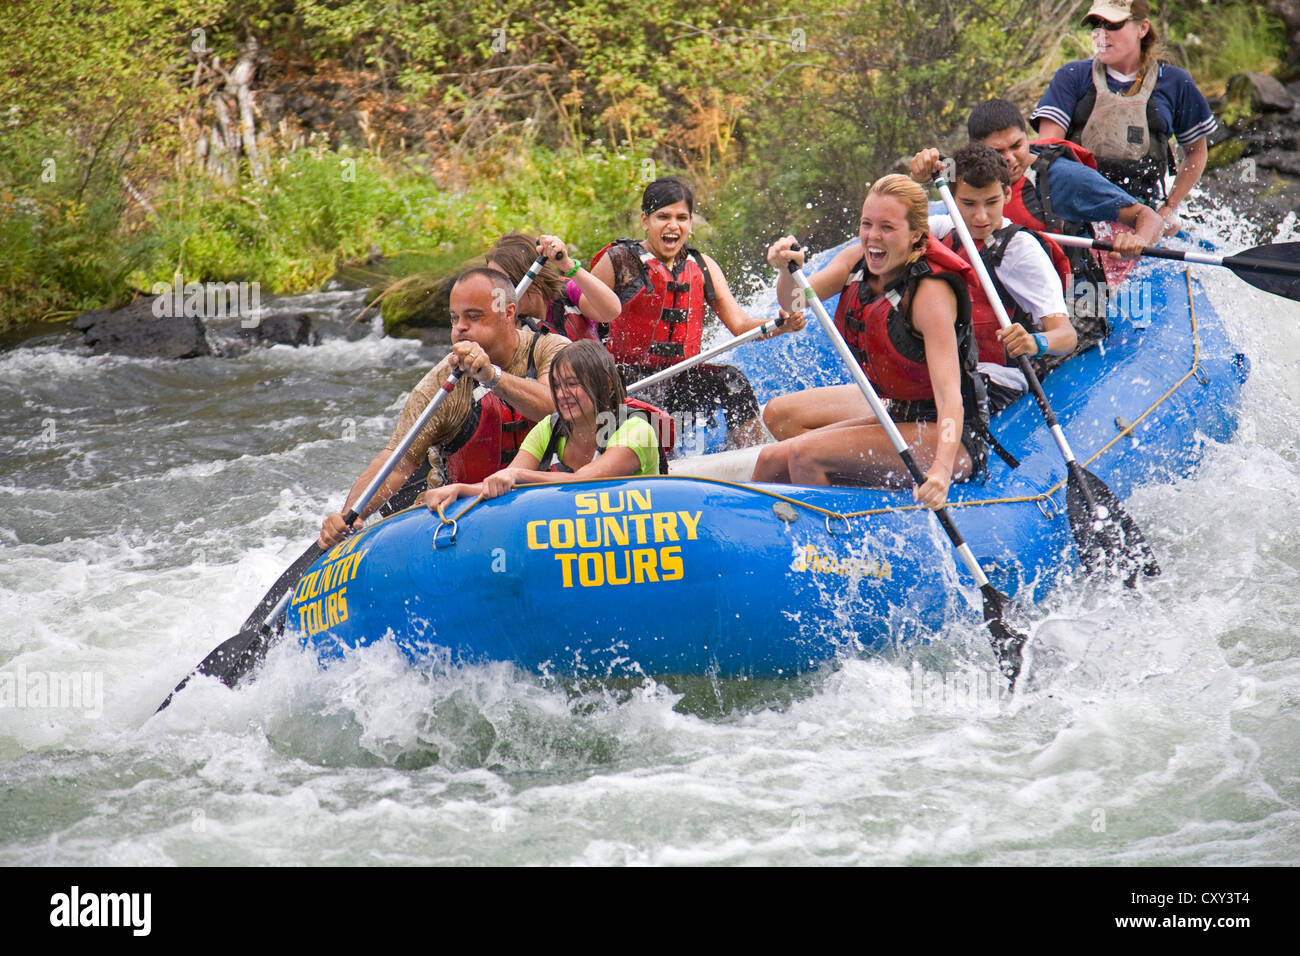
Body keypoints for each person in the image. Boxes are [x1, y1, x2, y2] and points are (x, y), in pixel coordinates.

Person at [753, 175, 988, 508]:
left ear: (916, 236)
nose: (873, 237)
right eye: (867, 224)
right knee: (770, 460)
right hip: (899, 413)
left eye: (887, 228)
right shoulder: (855, 263)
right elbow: (793, 301)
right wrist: (785, 270)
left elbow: (951, 398)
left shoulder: (929, 295)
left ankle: (828, 553)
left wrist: (939, 471)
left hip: (952, 434)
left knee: (806, 456)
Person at [318, 267, 568, 547]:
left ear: (509, 313)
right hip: (462, 517)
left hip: (547, 506)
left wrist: (491, 375)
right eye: (454, 318)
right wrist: (349, 515)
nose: (459, 327)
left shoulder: (550, 350)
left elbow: (555, 407)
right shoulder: (441, 384)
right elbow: (397, 462)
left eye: (473, 317)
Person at [926, 98, 1165, 356]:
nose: (1009, 159)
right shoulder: (970, 177)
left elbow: (1147, 216)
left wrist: (1139, 239)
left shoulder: (1064, 178)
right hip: (1013, 295)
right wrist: (922, 170)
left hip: (1075, 301)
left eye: (1017, 145)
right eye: (997, 153)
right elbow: (936, 178)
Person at [589, 177, 804, 448]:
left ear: (690, 223)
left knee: (732, 382)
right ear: (645, 221)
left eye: (681, 217)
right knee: (643, 426)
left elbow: (740, 325)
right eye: (662, 216)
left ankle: (756, 456)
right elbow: (581, 319)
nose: (673, 225)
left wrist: (778, 326)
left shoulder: (702, 266)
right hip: (624, 381)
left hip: (680, 380)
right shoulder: (619, 261)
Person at [423, 339, 663, 513]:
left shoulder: (636, 430)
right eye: (557, 386)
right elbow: (506, 481)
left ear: (607, 384)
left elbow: (586, 482)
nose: (562, 394)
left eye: (572, 384)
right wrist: (459, 490)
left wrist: (518, 475)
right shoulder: (549, 427)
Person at [913, 142, 1077, 397]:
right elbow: (893, 230)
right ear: (951, 199)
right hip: (944, 369)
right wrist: (919, 180)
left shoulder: (1021, 251)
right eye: (968, 203)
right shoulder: (946, 228)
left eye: (991, 202)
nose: (981, 217)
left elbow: (1067, 336)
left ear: (1007, 195)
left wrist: (1035, 342)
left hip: (998, 378)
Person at [1031, 0, 1215, 226]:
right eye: (1096, 26)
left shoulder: (1175, 82)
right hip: (1076, 215)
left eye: (1112, 25)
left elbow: (1196, 153)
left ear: (1142, 28)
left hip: (1141, 216)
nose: (1101, 34)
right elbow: (1046, 153)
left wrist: (1167, 209)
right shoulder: (1071, 77)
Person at [485, 232, 620, 341]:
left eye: (506, 284)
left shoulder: (567, 292)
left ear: (536, 278)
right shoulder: (506, 324)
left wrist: (567, 265)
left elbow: (611, 311)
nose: (500, 296)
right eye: (494, 287)